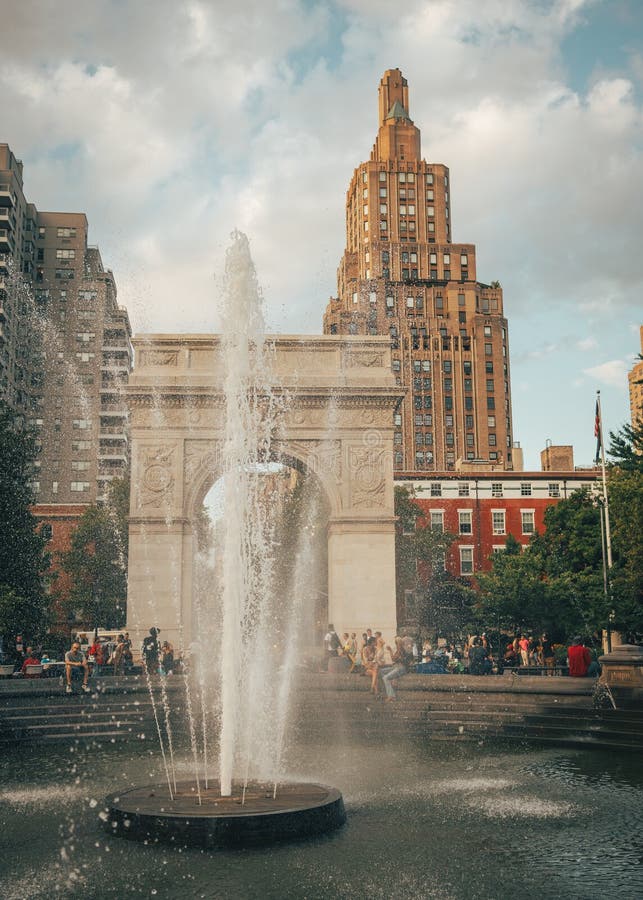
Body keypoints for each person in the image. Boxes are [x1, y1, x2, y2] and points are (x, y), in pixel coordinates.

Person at [380, 636, 414, 701]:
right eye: (396, 643)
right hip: (396, 667)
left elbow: (402, 661)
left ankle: (391, 696)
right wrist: (390, 650)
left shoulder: (403, 650)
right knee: (381, 671)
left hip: (401, 668)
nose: (396, 644)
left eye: (397, 643)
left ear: (400, 643)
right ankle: (388, 687)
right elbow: (393, 659)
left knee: (385, 678)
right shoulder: (399, 650)